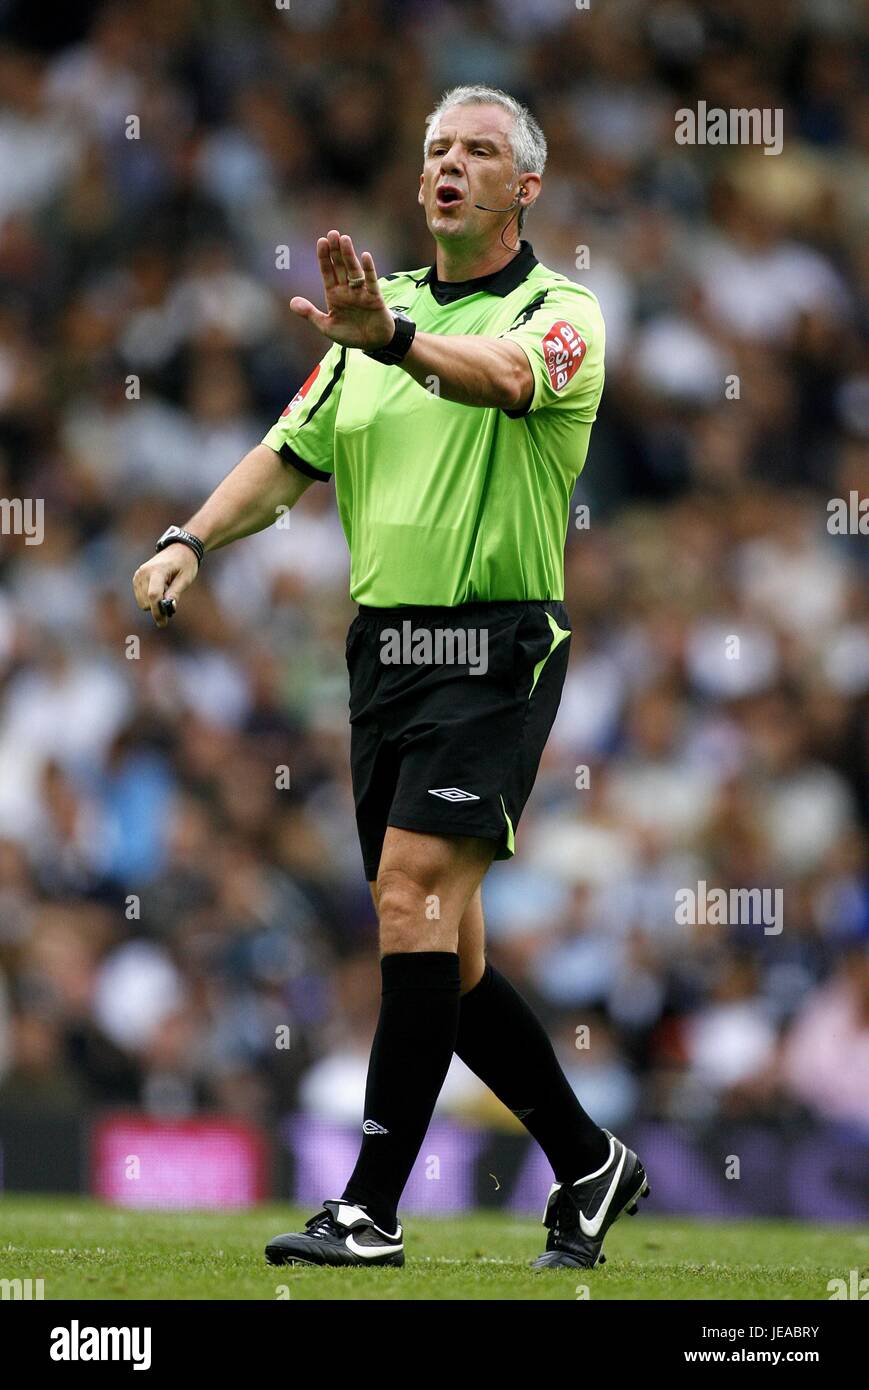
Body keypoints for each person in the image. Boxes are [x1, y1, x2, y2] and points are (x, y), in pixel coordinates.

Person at [132, 84, 649, 1270]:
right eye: (433, 151)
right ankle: (586, 1159)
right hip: (384, 654)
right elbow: (285, 454)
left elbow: (509, 380)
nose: (448, 165)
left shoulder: (561, 310)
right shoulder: (374, 316)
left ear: (526, 187)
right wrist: (188, 540)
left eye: (477, 150)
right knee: (444, 955)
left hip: (493, 644)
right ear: (420, 184)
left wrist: (396, 346)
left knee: (409, 895)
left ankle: (368, 1206)